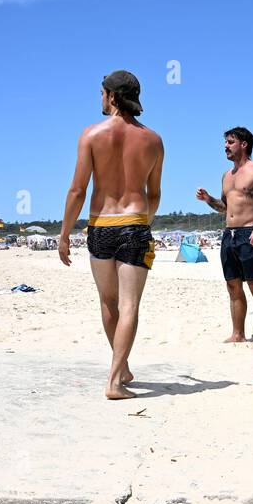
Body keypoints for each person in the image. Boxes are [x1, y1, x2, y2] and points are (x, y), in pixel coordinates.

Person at [59, 70, 164, 400]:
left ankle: (119, 370)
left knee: (109, 302)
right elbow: (155, 193)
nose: (100, 98)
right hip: (135, 222)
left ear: (113, 96)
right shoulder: (153, 140)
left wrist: (64, 234)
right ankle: (118, 377)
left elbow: (78, 189)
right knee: (130, 305)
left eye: (102, 93)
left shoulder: (91, 135)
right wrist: (140, 223)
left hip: (100, 225)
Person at [196, 126, 253, 342]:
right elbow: (226, 208)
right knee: (233, 286)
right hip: (229, 235)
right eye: (226, 142)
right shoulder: (226, 176)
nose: (226, 146)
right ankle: (238, 334)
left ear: (244, 144)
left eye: (230, 142)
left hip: (250, 234)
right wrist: (209, 200)